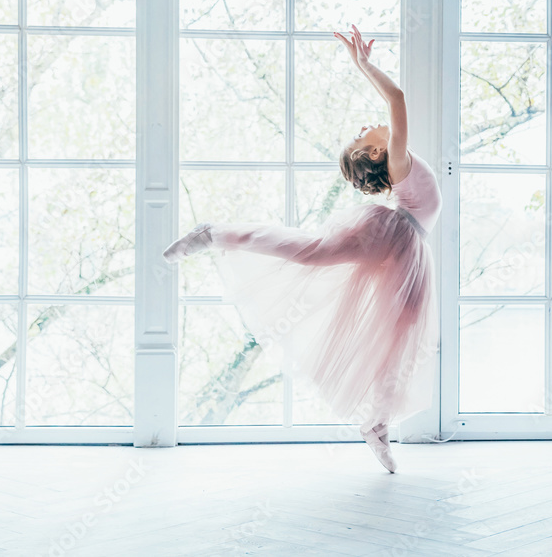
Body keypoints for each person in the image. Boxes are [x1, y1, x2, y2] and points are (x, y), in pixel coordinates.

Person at [163, 24, 442, 473]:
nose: (364, 127)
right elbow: (397, 99)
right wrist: (364, 65)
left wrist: (362, 66)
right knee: (312, 253)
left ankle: (376, 423)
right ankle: (214, 234)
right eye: (361, 137)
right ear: (377, 154)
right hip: (394, 236)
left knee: (400, 331)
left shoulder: (395, 162)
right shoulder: (398, 158)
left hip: (409, 250)